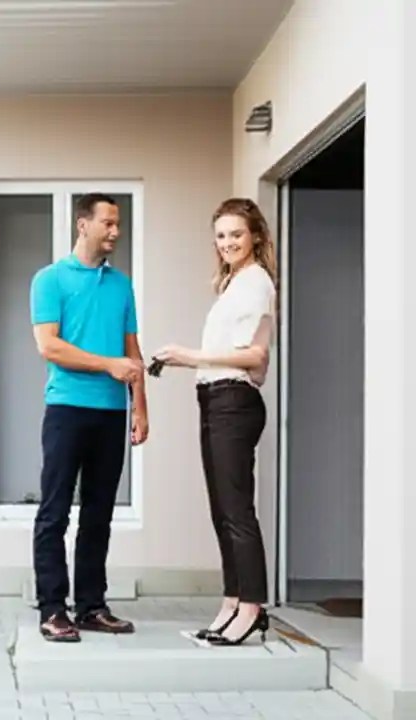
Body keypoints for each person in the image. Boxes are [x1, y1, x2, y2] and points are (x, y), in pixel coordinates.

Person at [152, 197, 276, 647]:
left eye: (236, 234)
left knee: (237, 511)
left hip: (233, 401)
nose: (227, 242)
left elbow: (255, 356)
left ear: (255, 236)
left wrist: (188, 356)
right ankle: (232, 601)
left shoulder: (256, 282)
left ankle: (252, 608)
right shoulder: (234, 283)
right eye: (221, 235)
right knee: (222, 510)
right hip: (214, 399)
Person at [29, 193, 149, 643]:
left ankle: (92, 607)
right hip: (66, 409)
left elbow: (133, 353)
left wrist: (140, 407)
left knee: (99, 515)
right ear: (83, 225)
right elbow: (49, 346)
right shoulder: (50, 279)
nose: (116, 230)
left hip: (112, 413)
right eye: (108, 223)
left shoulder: (121, 285)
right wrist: (107, 365)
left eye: (118, 223)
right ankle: (52, 609)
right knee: (55, 512)